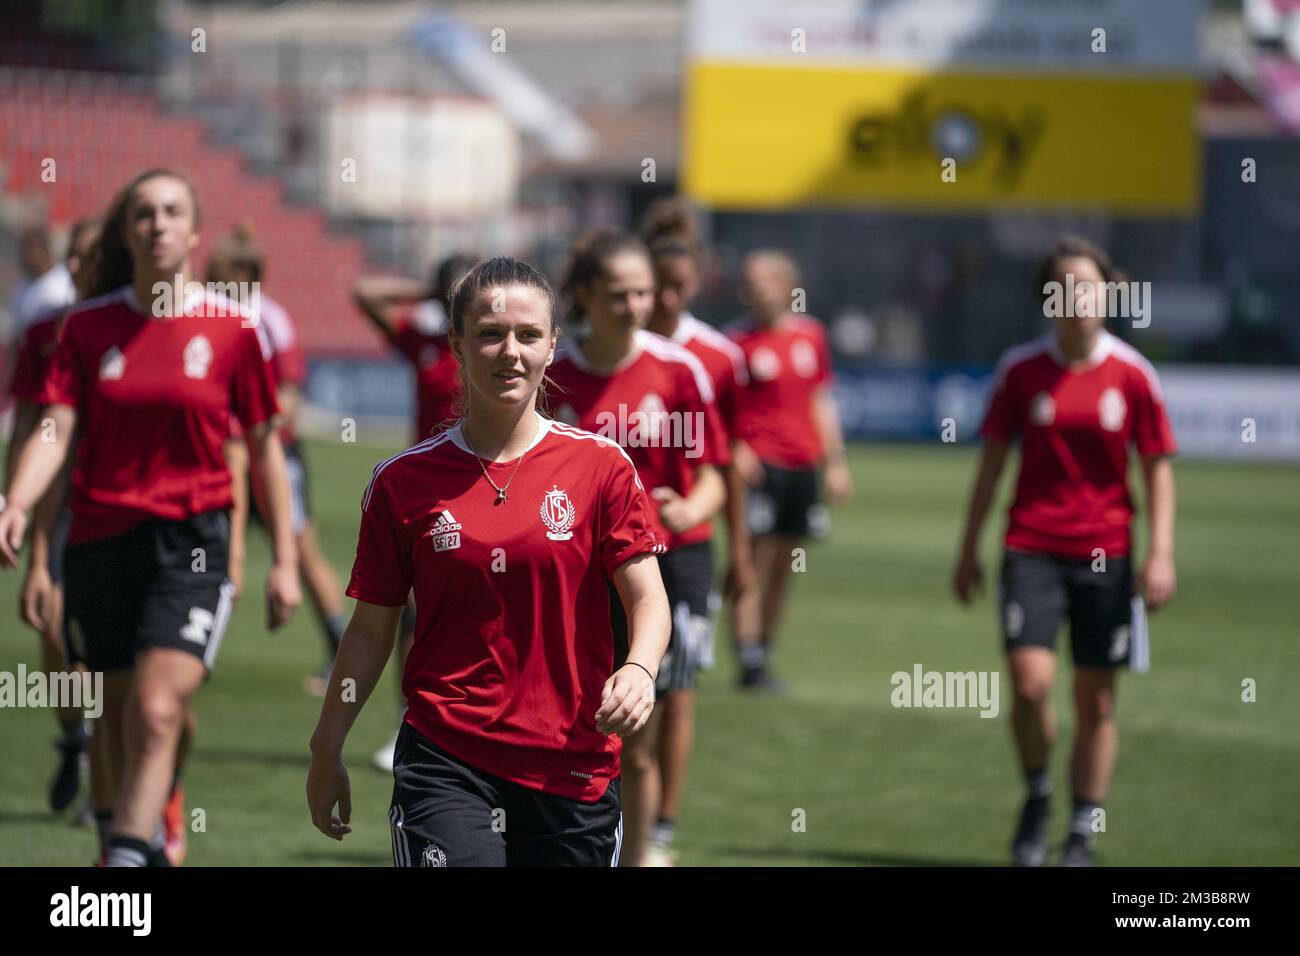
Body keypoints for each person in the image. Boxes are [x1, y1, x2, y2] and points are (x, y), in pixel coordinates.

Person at [307, 256, 671, 866]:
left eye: (528, 335)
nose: (510, 352)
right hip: (447, 760)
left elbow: (648, 597)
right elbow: (371, 629)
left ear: (553, 346)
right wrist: (326, 747)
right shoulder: (402, 482)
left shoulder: (602, 468)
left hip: (572, 768)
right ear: (456, 343)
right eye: (491, 334)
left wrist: (639, 669)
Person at [0, 168, 302, 867]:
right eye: (143, 213)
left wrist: (283, 559)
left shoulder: (232, 332)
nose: (158, 224)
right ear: (126, 231)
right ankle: (124, 845)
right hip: (101, 541)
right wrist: (15, 501)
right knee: (111, 714)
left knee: (158, 711)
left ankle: (132, 863)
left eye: (172, 212)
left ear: (195, 232)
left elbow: (262, 448)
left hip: (192, 545)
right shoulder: (85, 328)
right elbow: (55, 427)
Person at [953, 236, 1178, 867]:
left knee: (1096, 698)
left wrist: (1160, 553)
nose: (1078, 296)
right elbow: (992, 464)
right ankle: (1038, 792)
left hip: (1108, 553)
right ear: (1046, 298)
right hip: (1031, 548)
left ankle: (1081, 829)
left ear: (1109, 291)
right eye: (1064, 285)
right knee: (1030, 687)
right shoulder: (1020, 370)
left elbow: (1158, 469)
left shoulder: (1134, 373)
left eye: (1089, 284)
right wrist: (968, 548)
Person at [548, 229, 728, 867]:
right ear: (586, 296)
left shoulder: (680, 372)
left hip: (665, 570)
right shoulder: (554, 374)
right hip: (575, 575)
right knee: (572, 721)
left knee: (640, 734)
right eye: (619, 294)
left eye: (643, 293)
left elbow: (712, 473)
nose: (634, 306)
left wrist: (693, 508)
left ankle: (642, 851)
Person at [638, 199, 754, 865]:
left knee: (677, 690)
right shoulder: (608, 351)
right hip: (614, 551)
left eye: (681, 287)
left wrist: (738, 549)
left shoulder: (716, 357)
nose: (669, 299)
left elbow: (727, 460)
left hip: (687, 550)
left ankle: (661, 828)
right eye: (660, 287)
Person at [208, 223, 348, 697]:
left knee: (303, 553)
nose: (210, 275)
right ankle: (193, 648)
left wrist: (249, 432)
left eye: (221, 270)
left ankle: (341, 652)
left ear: (245, 272)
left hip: (274, 454)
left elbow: (288, 396)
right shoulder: (210, 314)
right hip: (220, 455)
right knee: (216, 550)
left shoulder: (270, 319)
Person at [353, 254, 478, 770]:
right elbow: (366, 292)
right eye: (453, 291)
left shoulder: (491, 345)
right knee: (411, 614)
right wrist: (426, 288)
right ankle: (410, 720)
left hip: (482, 483)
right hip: (425, 492)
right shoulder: (425, 342)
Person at [5, 217, 101, 821]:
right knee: (53, 628)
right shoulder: (47, 331)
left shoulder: (147, 328)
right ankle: (73, 739)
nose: (85, 268)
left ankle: (109, 780)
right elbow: (28, 421)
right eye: (80, 257)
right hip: (58, 499)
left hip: (122, 506)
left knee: (111, 648)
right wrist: (13, 494)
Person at [726, 250, 853, 689]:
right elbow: (719, 410)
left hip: (803, 467)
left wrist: (835, 463)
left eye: (760, 281)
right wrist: (737, 450)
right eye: (747, 282)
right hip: (760, 468)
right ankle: (747, 655)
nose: (752, 290)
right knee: (753, 560)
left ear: (785, 286)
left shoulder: (811, 337)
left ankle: (765, 650)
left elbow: (821, 400)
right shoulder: (734, 344)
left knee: (785, 562)